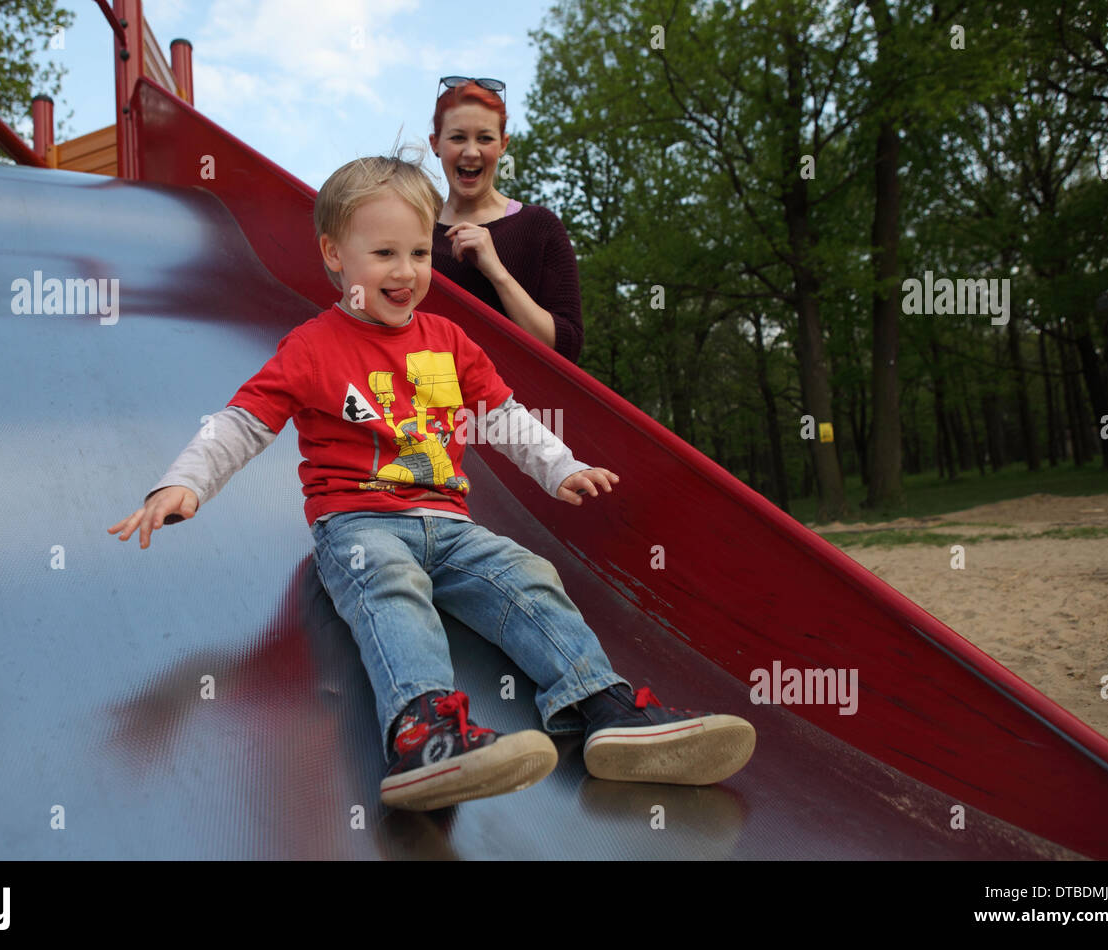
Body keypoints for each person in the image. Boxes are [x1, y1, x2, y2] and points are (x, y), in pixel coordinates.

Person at [108, 154, 755, 811]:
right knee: (392, 587)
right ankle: (423, 733)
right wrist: (182, 483)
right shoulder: (313, 346)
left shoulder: (448, 338)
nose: (406, 271)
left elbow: (503, 418)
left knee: (527, 575)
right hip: (358, 525)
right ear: (334, 254)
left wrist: (562, 467)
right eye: (384, 252)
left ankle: (602, 706)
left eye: (419, 252)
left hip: (450, 525)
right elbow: (242, 423)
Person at [429, 77, 585, 363]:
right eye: (457, 137)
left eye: (485, 138)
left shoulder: (540, 227)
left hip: (517, 407)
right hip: (424, 405)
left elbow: (566, 350)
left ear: (503, 144)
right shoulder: (413, 231)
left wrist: (496, 271)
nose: (471, 151)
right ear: (435, 143)